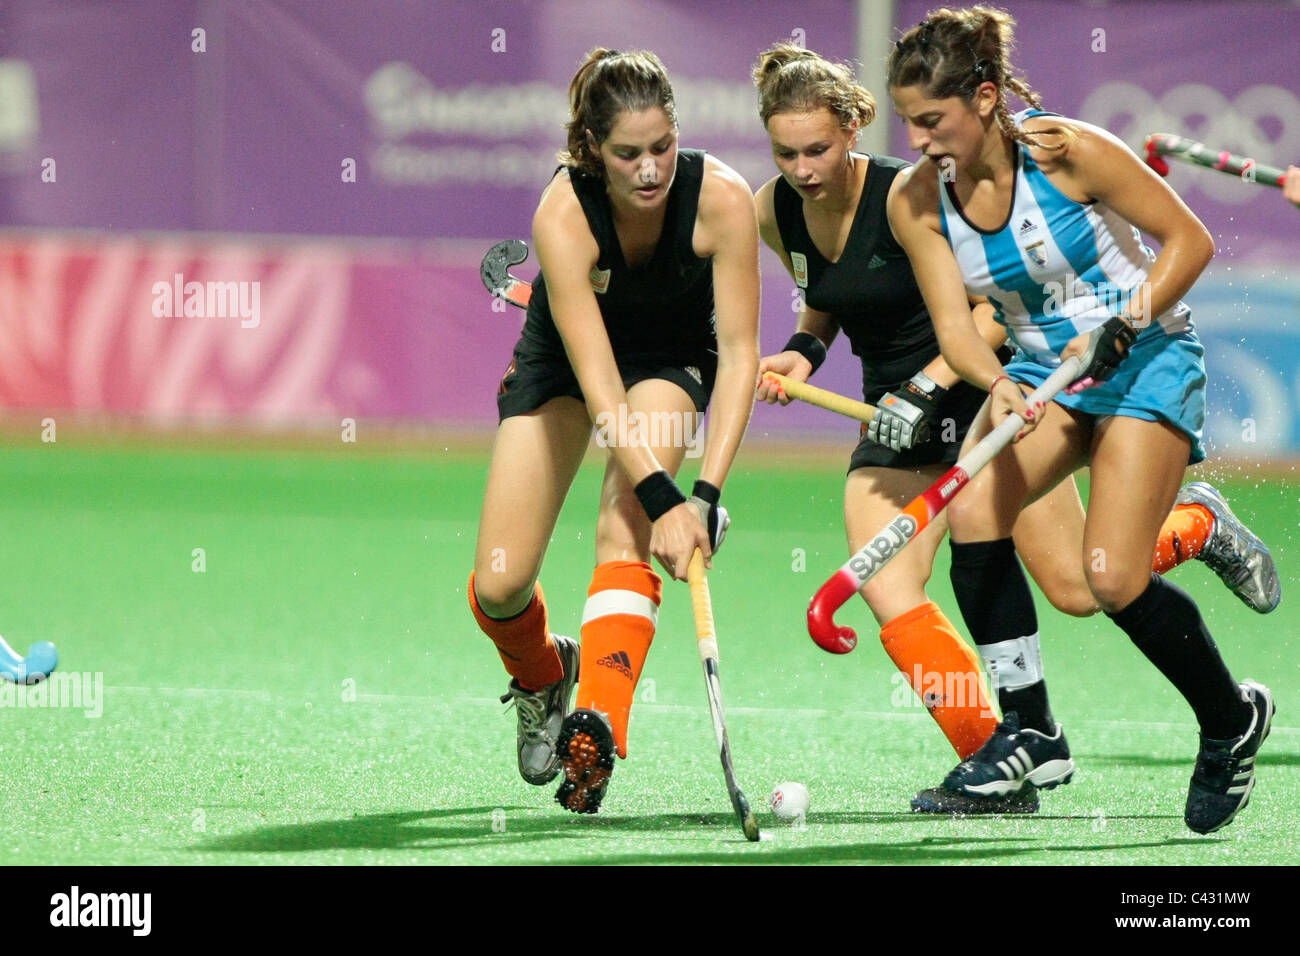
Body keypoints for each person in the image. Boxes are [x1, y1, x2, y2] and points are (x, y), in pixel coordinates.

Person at [751, 42, 1279, 816]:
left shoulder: (1068, 152)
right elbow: (943, 323)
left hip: (1141, 359)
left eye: (932, 121)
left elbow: (1188, 241)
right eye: (910, 122)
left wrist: (1122, 323)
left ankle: (1229, 720)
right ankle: (1024, 733)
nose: (918, 140)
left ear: (985, 99)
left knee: (1101, 582)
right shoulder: (914, 198)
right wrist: (997, 385)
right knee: (970, 518)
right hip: (1027, 377)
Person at [468, 49, 760, 815]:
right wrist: (667, 497)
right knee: (499, 583)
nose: (650, 169)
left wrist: (700, 498)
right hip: (570, 362)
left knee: (624, 525)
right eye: (629, 153)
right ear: (593, 148)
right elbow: (600, 388)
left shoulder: (723, 200)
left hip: (669, 357)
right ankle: (544, 676)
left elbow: (739, 356)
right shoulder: (563, 214)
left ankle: (595, 728)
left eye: (662, 145)